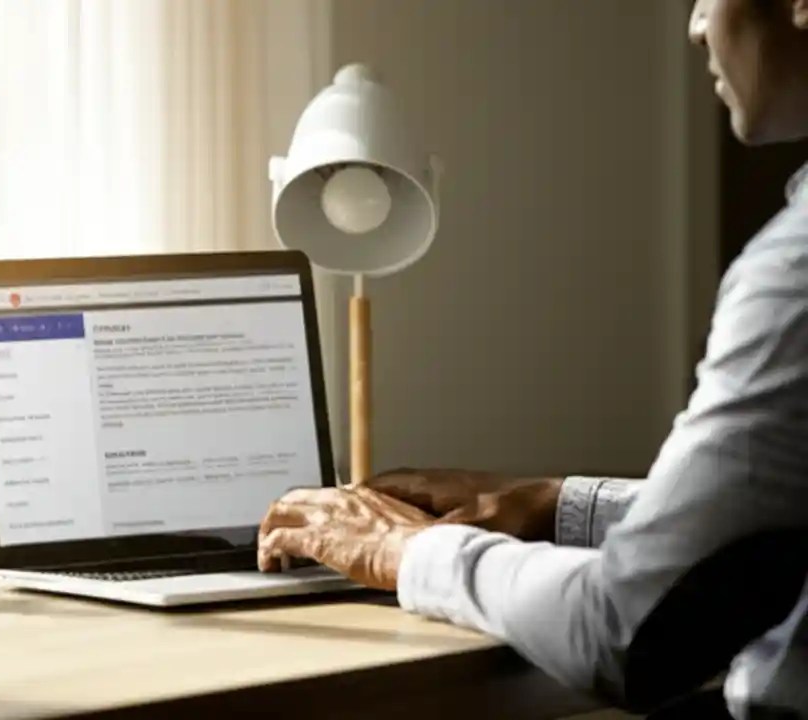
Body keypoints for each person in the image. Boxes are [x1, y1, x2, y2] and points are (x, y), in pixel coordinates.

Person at [256, 1, 808, 717]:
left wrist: (403, 550)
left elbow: (624, 632)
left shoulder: (792, 275)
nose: (697, 25)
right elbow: (767, 526)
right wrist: (554, 504)